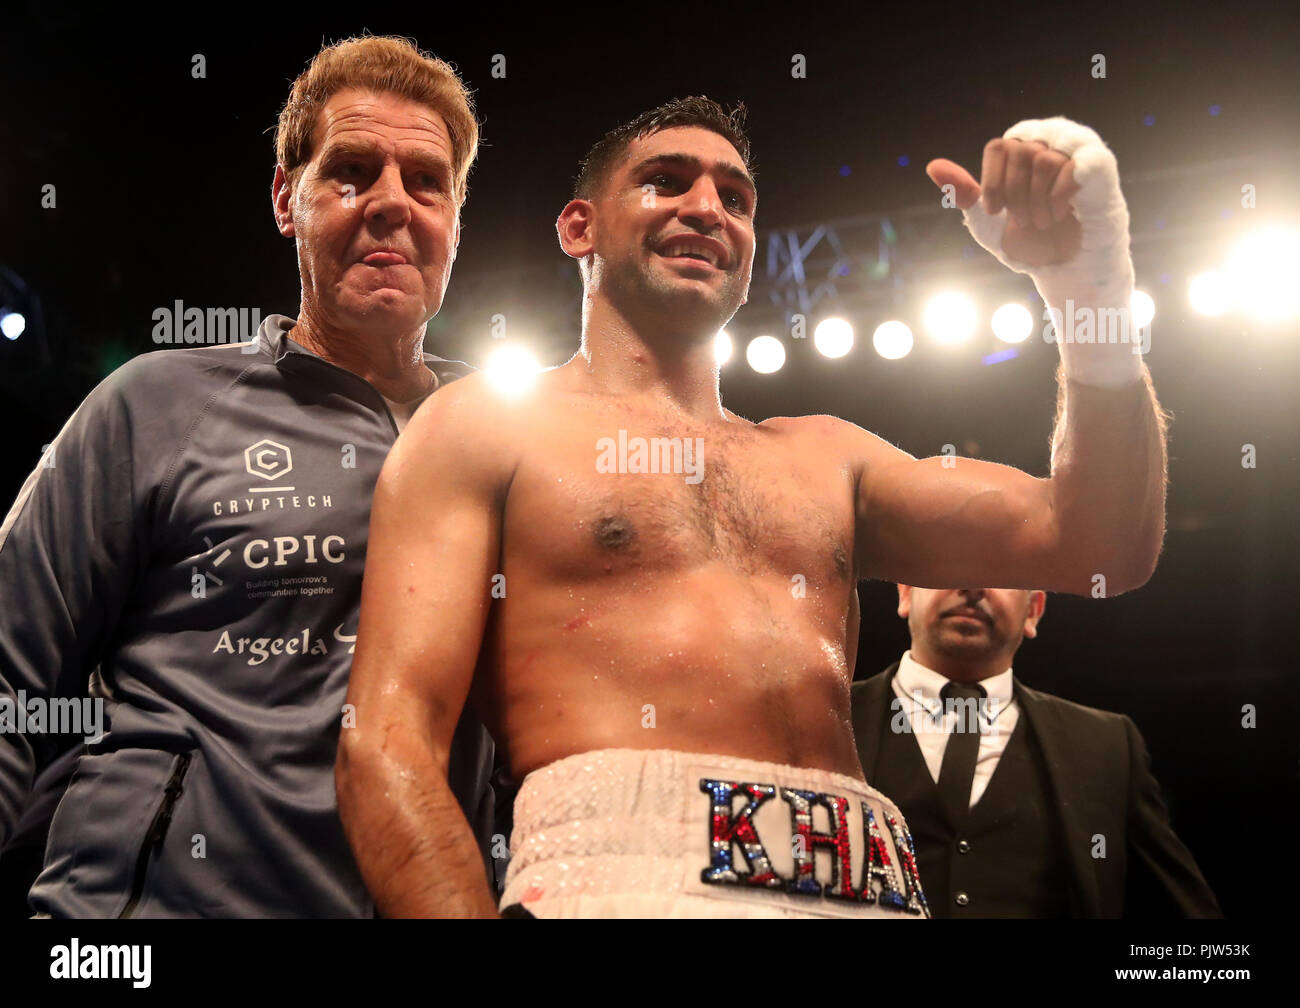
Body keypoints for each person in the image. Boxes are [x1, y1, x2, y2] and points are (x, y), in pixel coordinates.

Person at [336, 97, 1169, 918]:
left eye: (734, 198)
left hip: (872, 881)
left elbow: (1100, 544)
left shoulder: (827, 456)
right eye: (667, 182)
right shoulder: (482, 426)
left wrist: (1085, 286)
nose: (706, 208)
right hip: (619, 876)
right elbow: (387, 740)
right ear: (579, 227)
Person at [0, 35, 496, 917]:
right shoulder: (153, 405)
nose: (390, 203)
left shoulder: (513, 440)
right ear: (286, 199)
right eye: (350, 170)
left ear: (455, 218)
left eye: (427, 181)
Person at [851, 585, 1221, 918]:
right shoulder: (825, 717)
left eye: (1001, 571)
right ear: (905, 593)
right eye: (952, 562)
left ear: (1033, 610)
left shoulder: (1106, 745)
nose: (973, 584)